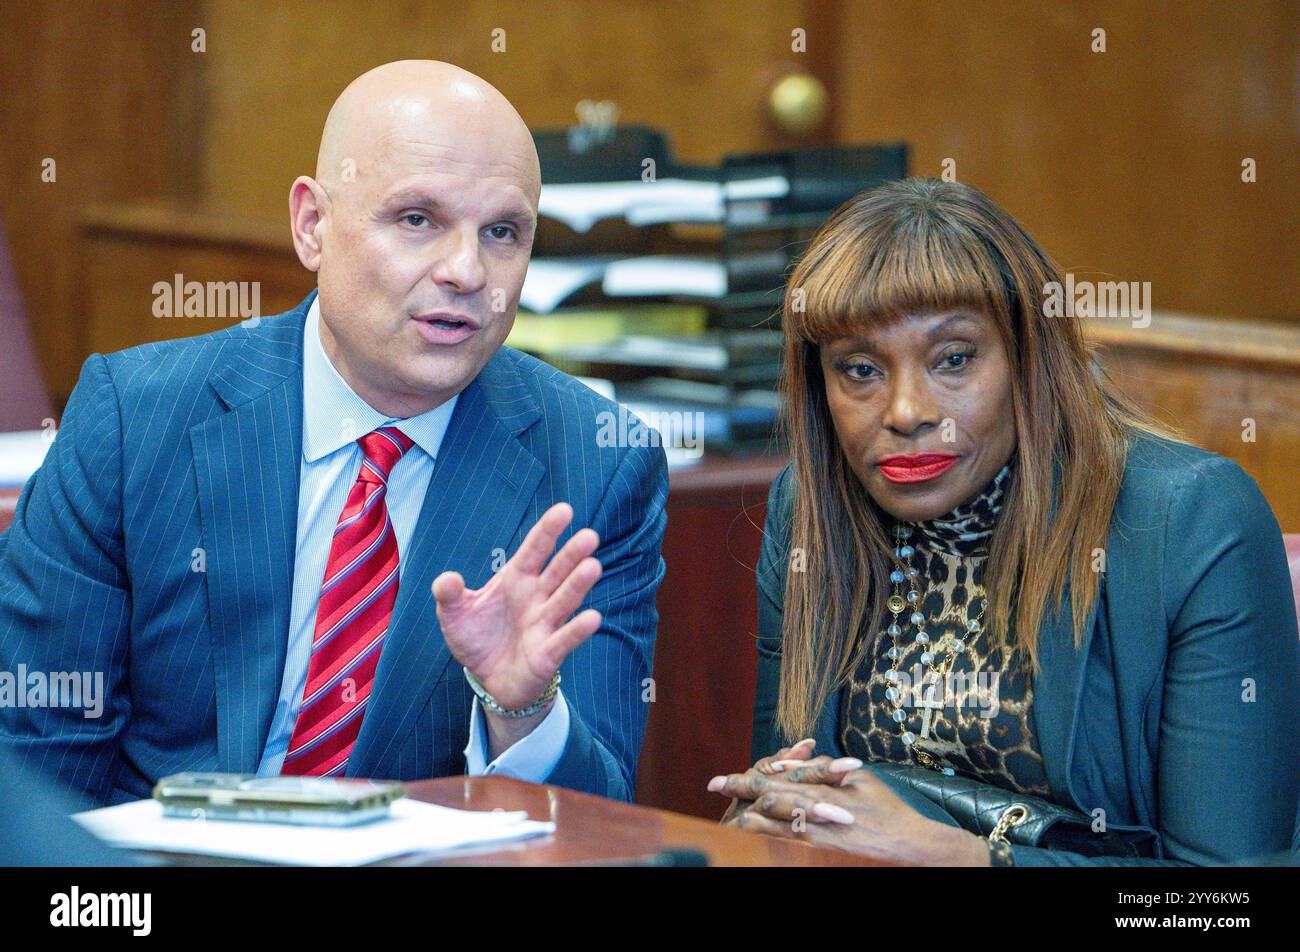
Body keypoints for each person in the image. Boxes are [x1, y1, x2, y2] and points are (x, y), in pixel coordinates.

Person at [0, 61, 666, 805]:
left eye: (503, 232)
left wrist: (523, 710)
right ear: (312, 225)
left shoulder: (597, 461)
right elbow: (36, 768)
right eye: (417, 220)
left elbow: (602, 819)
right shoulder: (134, 420)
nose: (467, 271)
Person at [708, 178, 1299, 865]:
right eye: (860, 370)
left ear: (1028, 360)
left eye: (953, 359)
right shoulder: (807, 508)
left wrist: (960, 858)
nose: (906, 411)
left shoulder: (1192, 522)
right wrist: (766, 817)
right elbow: (791, 806)